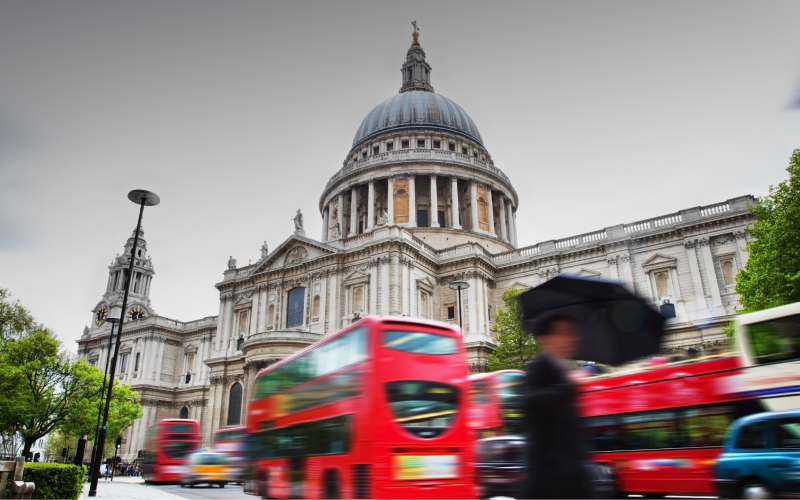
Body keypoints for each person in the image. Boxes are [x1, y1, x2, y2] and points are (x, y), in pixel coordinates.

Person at [521, 313, 589, 500]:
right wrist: (568, 384)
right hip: (549, 483)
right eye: (564, 332)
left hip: (572, 480)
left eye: (572, 332)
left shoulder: (561, 371)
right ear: (546, 338)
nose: (572, 338)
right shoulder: (539, 367)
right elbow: (530, 403)